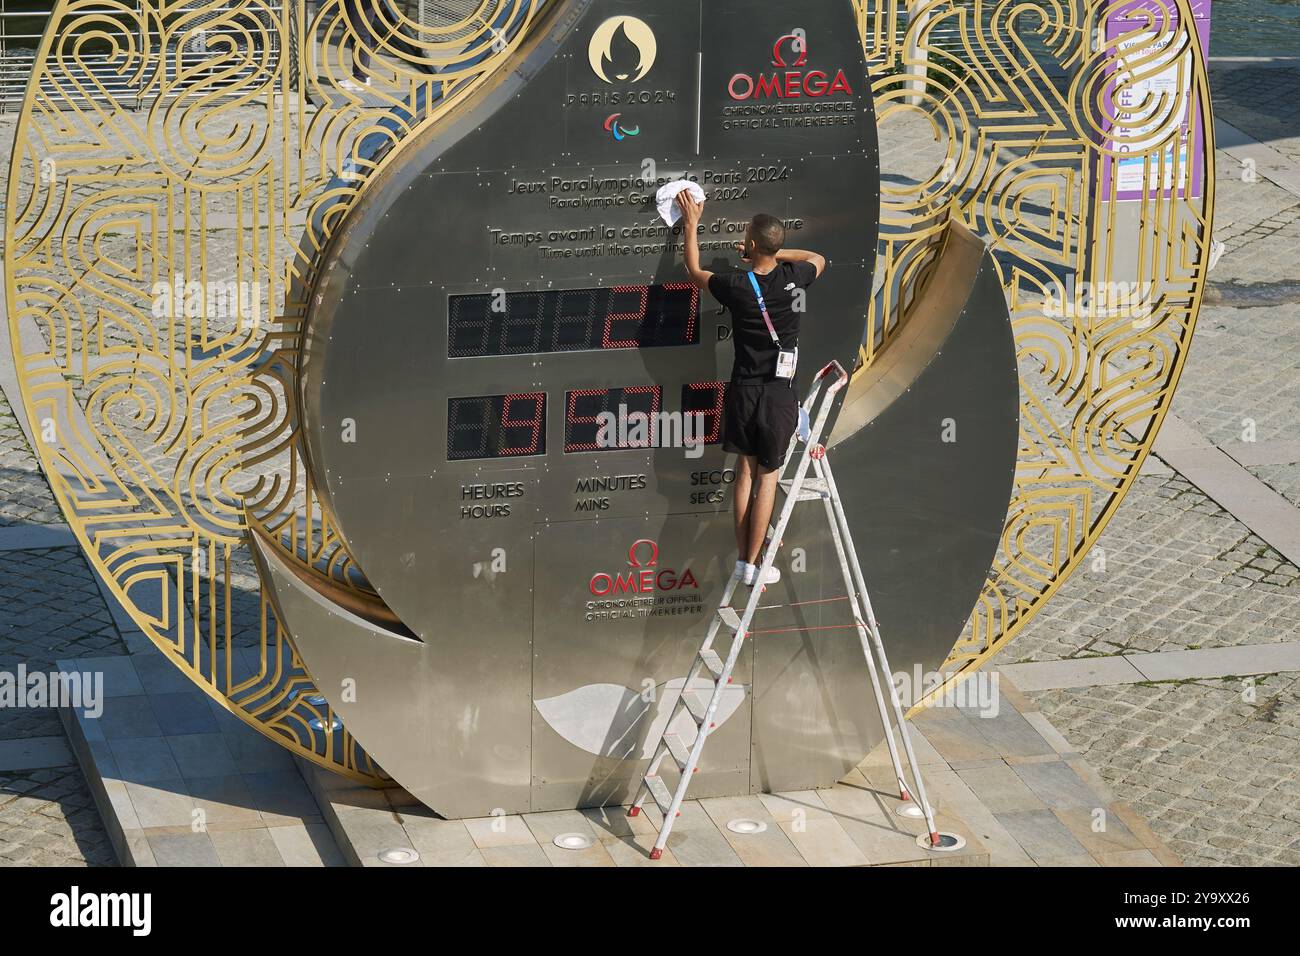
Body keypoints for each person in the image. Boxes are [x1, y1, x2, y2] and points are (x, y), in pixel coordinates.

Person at [676, 192, 826, 586]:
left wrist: (691, 224)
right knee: (768, 478)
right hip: (778, 395)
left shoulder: (738, 285)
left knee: (745, 472)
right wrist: (773, 254)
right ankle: (754, 564)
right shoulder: (795, 278)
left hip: (743, 391)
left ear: (751, 245)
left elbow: (693, 270)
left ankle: (745, 562)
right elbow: (817, 258)